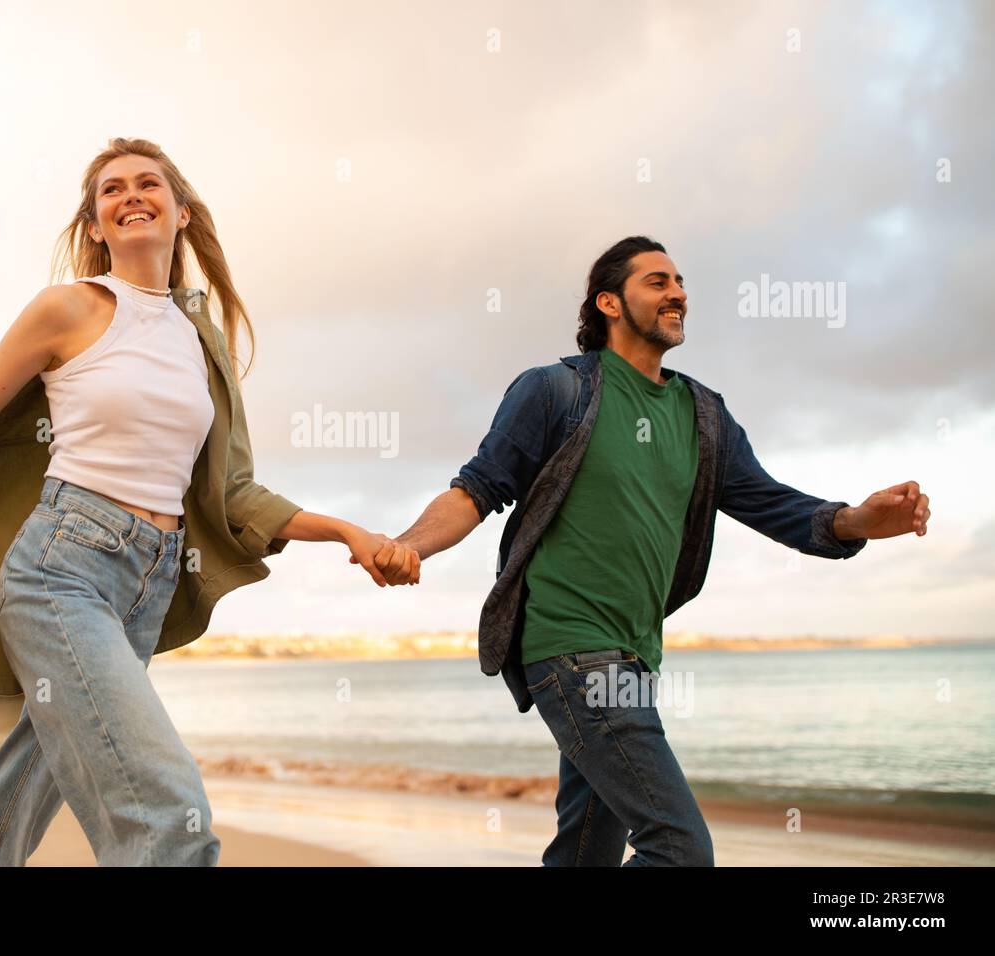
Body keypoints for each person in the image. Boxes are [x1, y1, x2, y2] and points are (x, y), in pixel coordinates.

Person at [0, 137, 420, 866]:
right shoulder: (67, 309)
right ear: (94, 225)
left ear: (181, 211)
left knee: (26, 789)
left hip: (148, 584)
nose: (130, 195)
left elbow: (234, 493)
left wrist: (345, 529)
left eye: (148, 183)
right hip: (60, 568)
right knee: (171, 819)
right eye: (110, 190)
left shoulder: (201, 341)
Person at [378, 236, 931, 866]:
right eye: (658, 282)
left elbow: (772, 504)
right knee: (681, 851)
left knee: (584, 855)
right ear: (609, 303)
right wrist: (405, 546)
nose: (678, 294)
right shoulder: (556, 392)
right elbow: (476, 489)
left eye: (680, 282)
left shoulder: (704, 416)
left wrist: (857, 519)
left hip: (634, 658)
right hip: (573, 649)